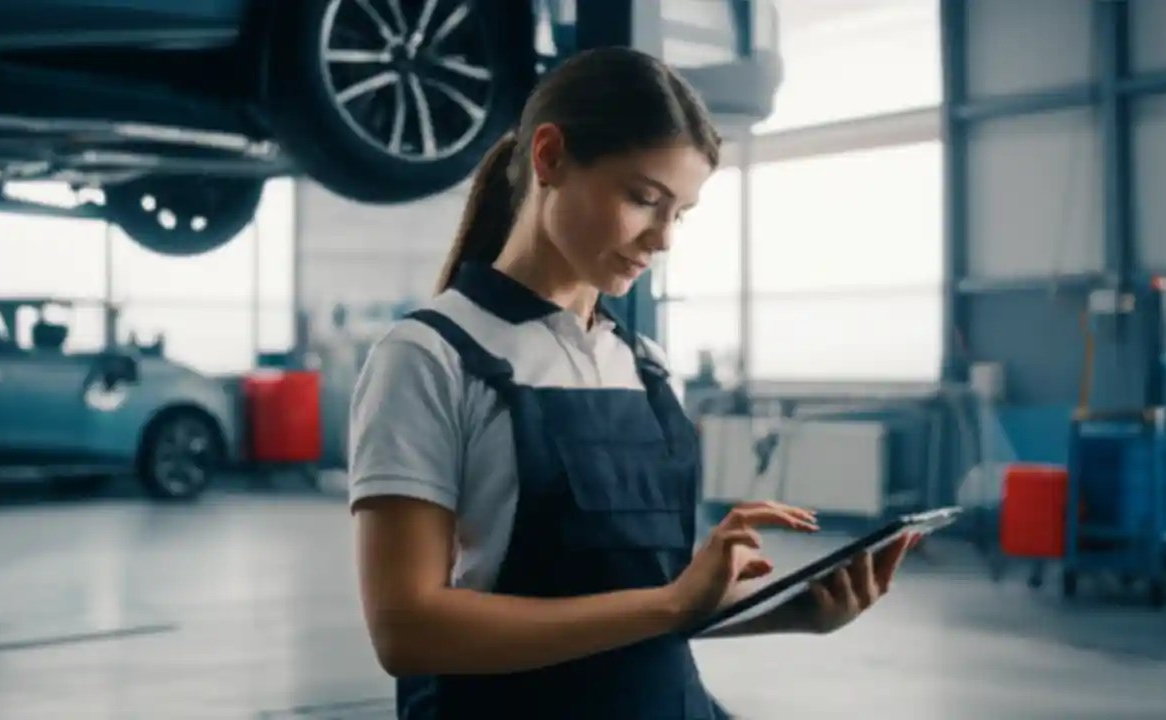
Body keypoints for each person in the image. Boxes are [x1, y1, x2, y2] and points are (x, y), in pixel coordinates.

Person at [348, 47, 915, 720]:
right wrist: (671, 604)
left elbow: (651, 602)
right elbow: (408, 631)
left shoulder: (645, 365)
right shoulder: (429, 356)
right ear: (550, 157)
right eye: (644, 199)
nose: (664, 238)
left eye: (682, 212)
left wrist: (794, 612)